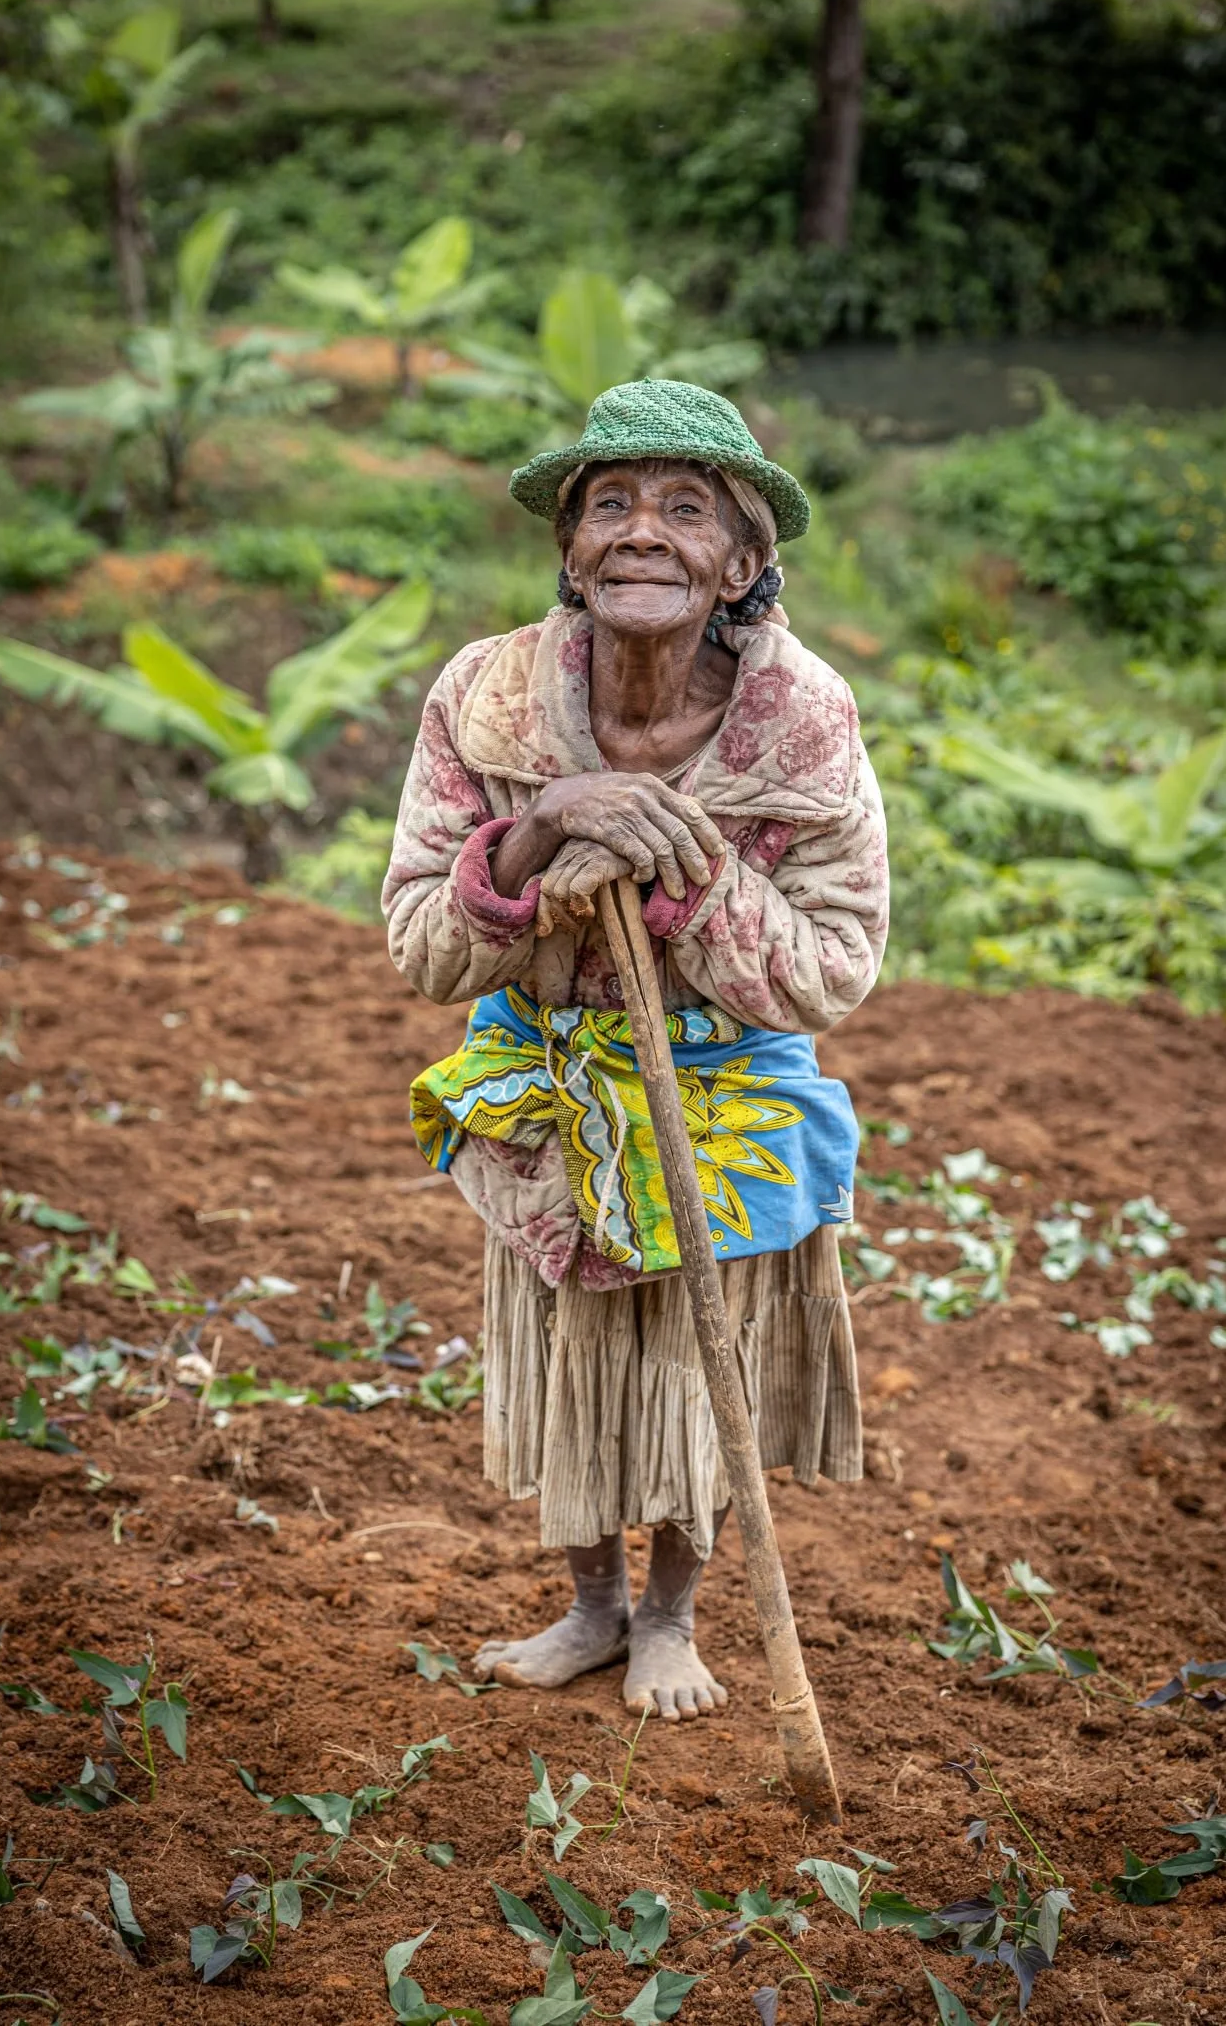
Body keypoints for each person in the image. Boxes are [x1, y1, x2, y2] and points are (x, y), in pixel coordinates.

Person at [382, 379, 889, 1722]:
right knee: (572, 1356)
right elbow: (424, 945)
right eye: (610, 504)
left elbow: (836, 966)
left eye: (686, 509)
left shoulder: (805, 723)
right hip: (548, 1076)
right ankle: (594, 1607)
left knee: (694, 1366)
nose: (643, 532)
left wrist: (688, 874)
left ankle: (670, 1615)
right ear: (570, 550)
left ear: (743, 561)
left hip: (722, 1088)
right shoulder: (485, 699)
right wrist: (542, 830)